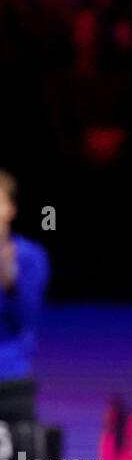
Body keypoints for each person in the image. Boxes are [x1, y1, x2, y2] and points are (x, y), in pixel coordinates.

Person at [0, 168, 50, 424]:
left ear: (11, 208)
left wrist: (10, 281)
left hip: (11, 379)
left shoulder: (29, 256)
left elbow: (28, 319)